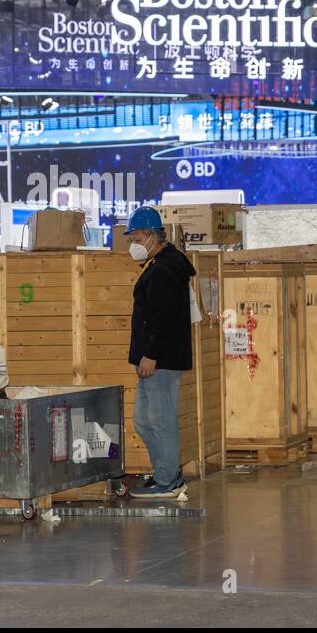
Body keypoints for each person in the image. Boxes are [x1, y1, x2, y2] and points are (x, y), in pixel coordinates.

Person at [124, 206, 196, 497]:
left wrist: (151, 353)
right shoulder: (160, 265)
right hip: (153, 358)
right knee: (143, 419)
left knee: (161, 419)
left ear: (154, 237)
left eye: (139, 238)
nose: (134, 245)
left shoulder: (165, 270)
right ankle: (165, 471)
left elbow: (163, 317)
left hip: (160, 360)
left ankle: (168, 480)